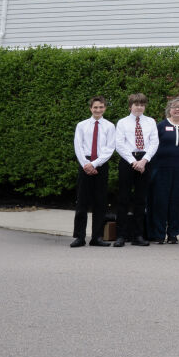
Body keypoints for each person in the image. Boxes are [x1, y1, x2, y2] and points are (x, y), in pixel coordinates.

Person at [148, 96, 179, 244]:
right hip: (161, 170)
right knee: (160, 202)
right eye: (174, 107)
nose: (177, 109)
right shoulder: (160, 126)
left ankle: (173, 233)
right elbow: (152, 146)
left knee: (178, 202)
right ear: (169, 110)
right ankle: (158, 233)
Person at [112, 92, 157, 247]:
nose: (139, 107)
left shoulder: (151, 122)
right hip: (127, 161)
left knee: (141, 199)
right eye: (136, 104)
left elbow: (154, 142)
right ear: (130, 106)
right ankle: (121, 236)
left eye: (142, 105)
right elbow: (119, 144)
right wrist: (134, 162)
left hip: (145, 160)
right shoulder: (122, 122)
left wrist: (144, 161)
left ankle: (138, 235)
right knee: (123, 199)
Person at [70, 96, 114, 248]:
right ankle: (79, 237)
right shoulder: (82, 125)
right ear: (90, 108)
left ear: (105, 108)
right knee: (82, 201)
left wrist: (95, 164)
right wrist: (86, 164)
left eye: (101, 107)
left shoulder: (109, 126)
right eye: (95, 107)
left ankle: (97, 237)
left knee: (100, 202)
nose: (98, 110)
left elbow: (109, 149)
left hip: (101, 164)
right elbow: (78, 146)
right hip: (85, 164)